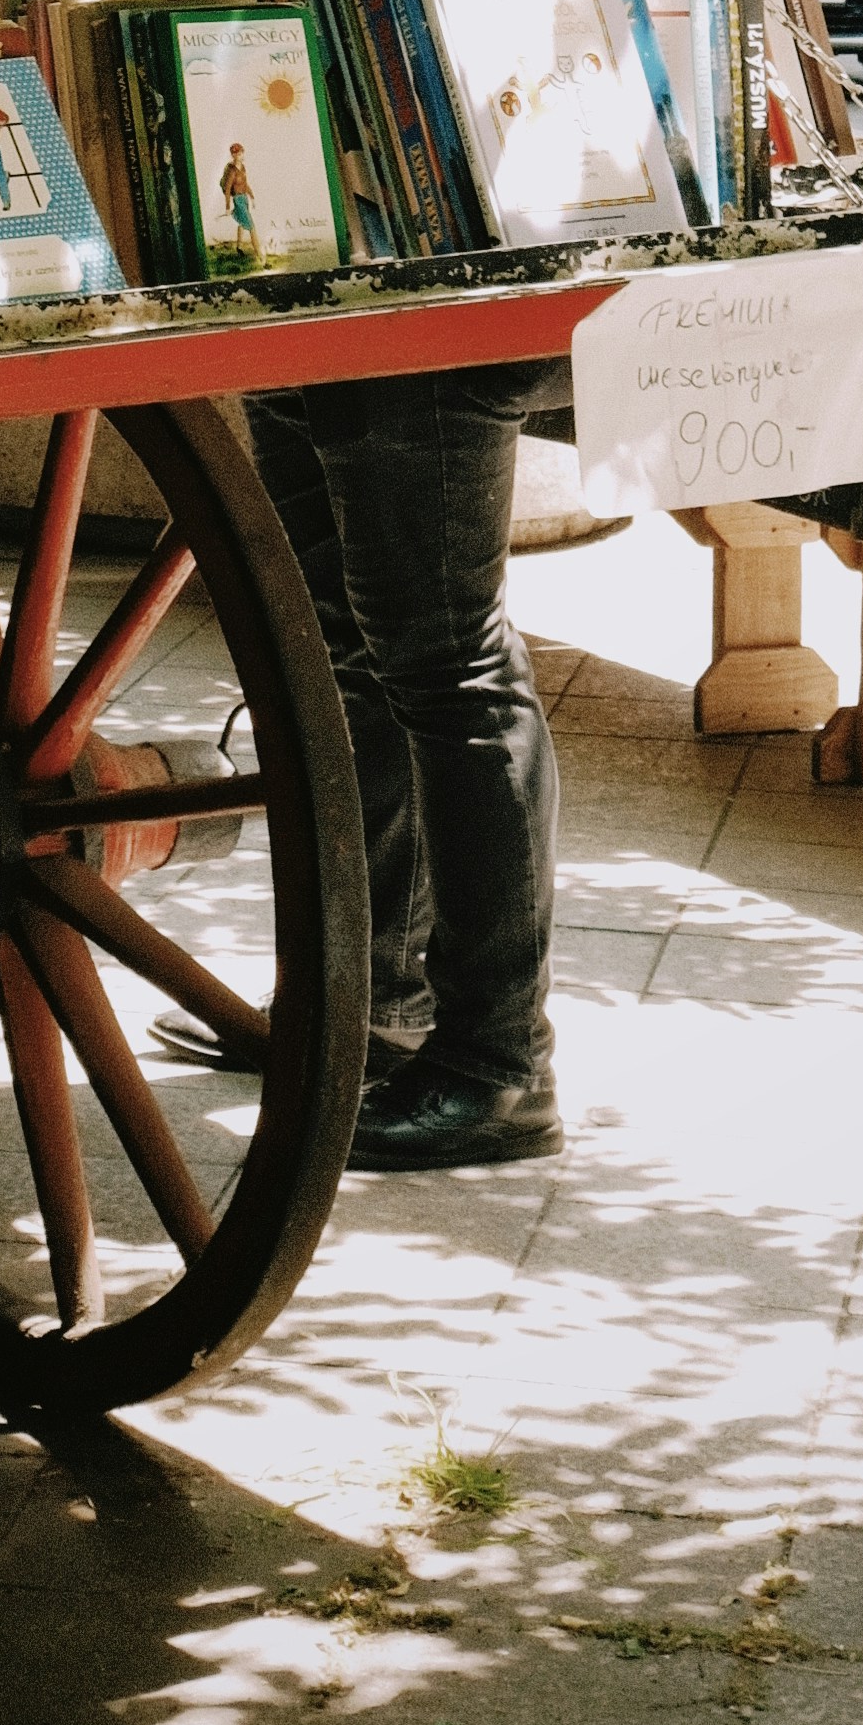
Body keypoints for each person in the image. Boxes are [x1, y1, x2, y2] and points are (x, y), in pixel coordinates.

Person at [242, 356, 567, 1170]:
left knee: (451, 662)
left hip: (420, 323)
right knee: (353, 646)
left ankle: (498, 1062)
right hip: (290, 308)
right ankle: (382, 1000)